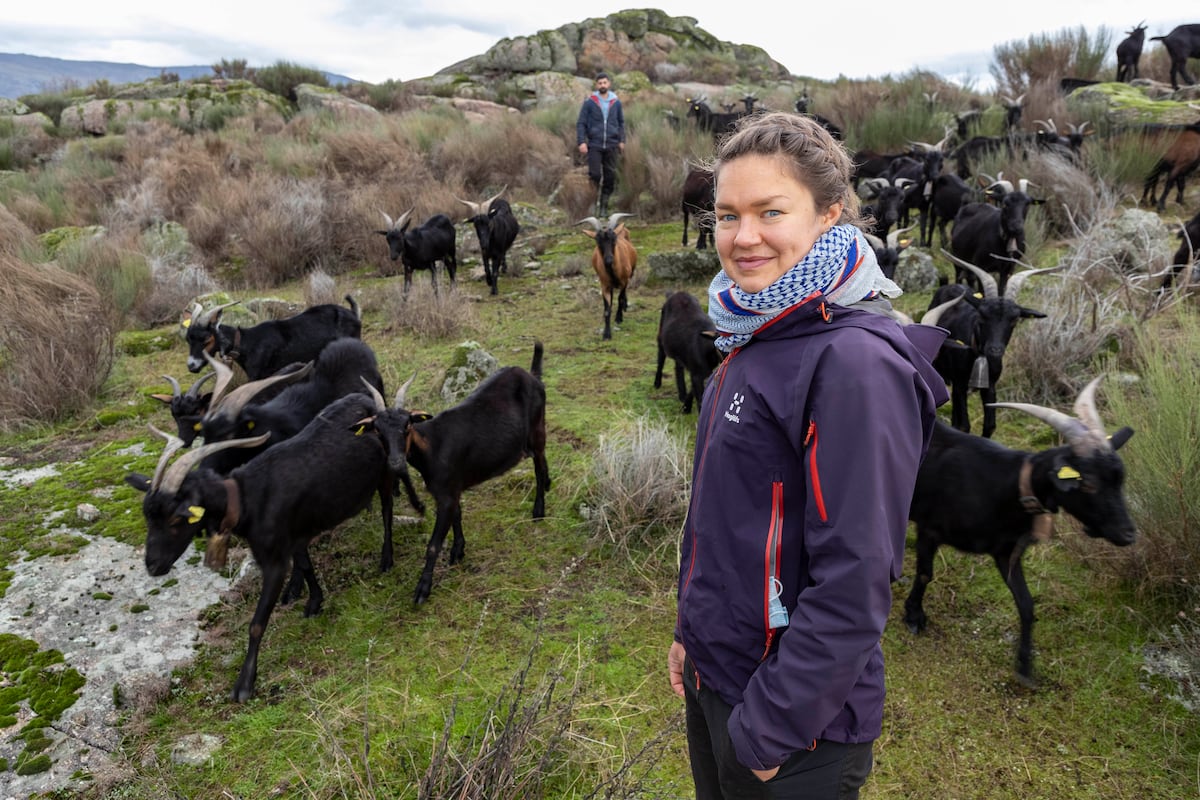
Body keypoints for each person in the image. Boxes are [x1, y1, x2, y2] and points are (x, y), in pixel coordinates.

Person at [667, 111, 949, 799]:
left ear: (829, 215)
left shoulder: (850, 364)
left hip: (795, 727)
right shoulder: (752, 331)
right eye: (727, 216)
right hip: (722, 679)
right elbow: (722, 520)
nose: (744, 236)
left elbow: (854, 580)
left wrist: (771, 728)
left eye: (771, 211)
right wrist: (692, 637)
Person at [576, 71, 625, 217]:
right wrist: (581, 142)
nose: (602, 85)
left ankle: (604, 206)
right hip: (595, 144)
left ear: (609, 84)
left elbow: (621, 123)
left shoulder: (616, 102)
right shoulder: (590, 102)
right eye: (600, 83)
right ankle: (593, 203)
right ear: (596, 85)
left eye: (605, 82)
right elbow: (581, 123)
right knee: (595, 175)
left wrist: (622, 140)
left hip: (612, 144)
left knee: (610, 177)